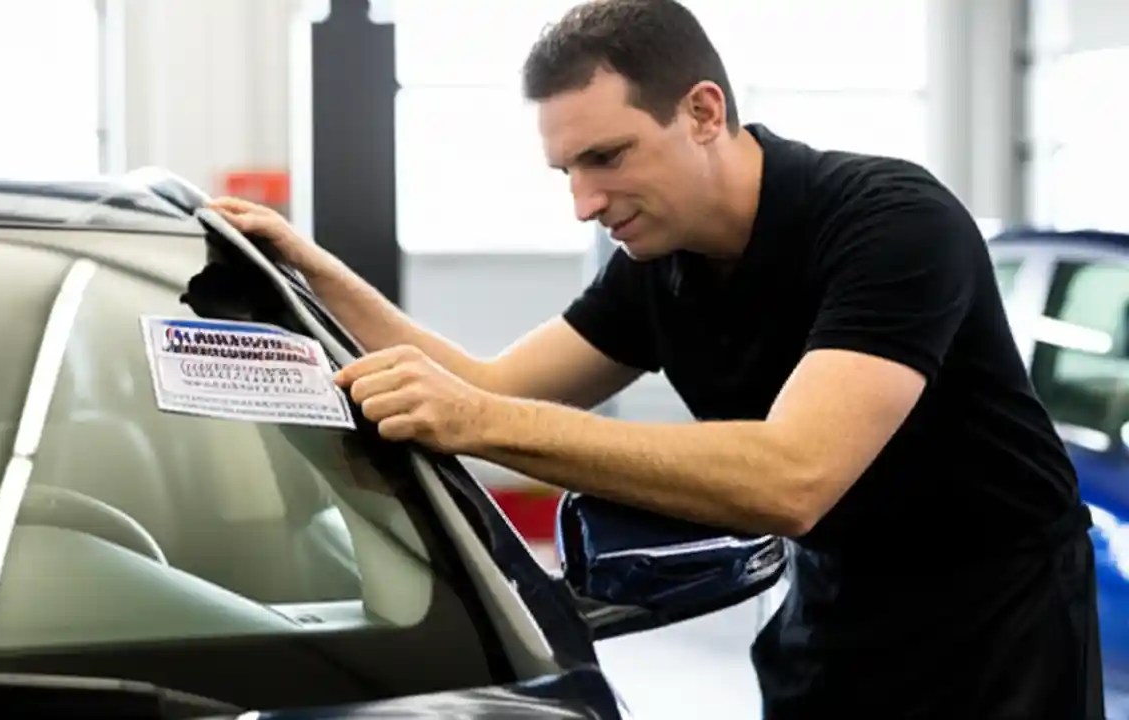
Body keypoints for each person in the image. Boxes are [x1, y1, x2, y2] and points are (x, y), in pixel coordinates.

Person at [207, 0, 1103, 716]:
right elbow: (486, 387)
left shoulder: (890, 222)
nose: (586, 203)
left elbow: (793, 476)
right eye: (567, 172)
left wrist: (476, 417)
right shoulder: (656, 263)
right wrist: (312, 273)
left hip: (997, 637)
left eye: (607, 157)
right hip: (830, 617)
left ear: (703, 111)